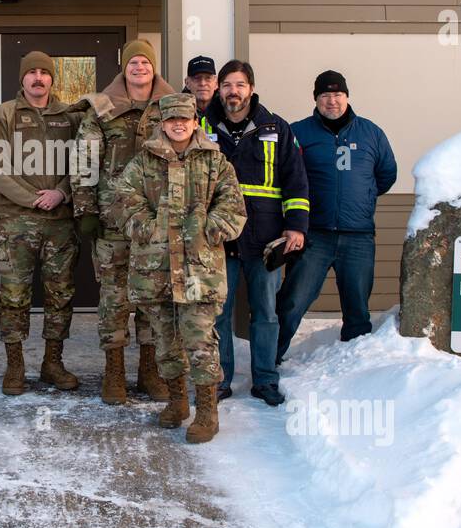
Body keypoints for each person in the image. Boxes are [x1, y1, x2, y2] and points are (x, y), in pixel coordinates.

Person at [113, 93, 246, 443]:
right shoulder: (144, 161)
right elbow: (125, 199)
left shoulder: (215, 163)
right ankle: (176, 402)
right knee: (165, 340)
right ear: (162, 122)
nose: (178, 125)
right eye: (171, 120)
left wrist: (210, 228)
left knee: (200, 340)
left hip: (199, 269)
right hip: (155, 266)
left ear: (193, 121)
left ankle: (207, 411)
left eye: (183, 119)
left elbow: (232, 204)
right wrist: (145, 227)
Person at [72, 39, 178, 404]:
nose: (139, 68)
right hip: (112, 219)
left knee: (153, 297)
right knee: (114, 297)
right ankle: (114, 373)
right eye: (132, 62)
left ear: (154, 68)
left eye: (144, 62)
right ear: (123, 68)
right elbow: (85, 161)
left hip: (156, 220)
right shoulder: (101, 110)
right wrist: (85, 209)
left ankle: (149, 371)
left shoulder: (172, 108)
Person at [202, 61, 308, 405]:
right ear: (219, 90)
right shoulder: (201, 127)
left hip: (265, 239)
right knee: (217, 313)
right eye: (227, 85)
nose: (233, 91)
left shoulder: (276, 128)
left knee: (265, 313)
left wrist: (296, 227)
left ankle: (265, 380)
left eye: (240, 85)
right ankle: (219, 381)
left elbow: (295, 180)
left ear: (251, 89)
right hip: (217, 239)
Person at [276, 70, 397, 360]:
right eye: (325, 95)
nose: (332, 101)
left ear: (347, 96)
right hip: (313, 234)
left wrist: (361, 198)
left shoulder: (371, 132)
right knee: (292, 302)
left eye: (337, 94)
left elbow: (386, 175)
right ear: (316, 99)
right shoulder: (298, 132)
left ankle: (354, 366)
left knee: (357, 307)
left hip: (358, 236)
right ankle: (269, 361)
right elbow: (283, 175)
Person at [0, 51, 81, 395]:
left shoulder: (71, 117)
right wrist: (32, 198)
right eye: (32, 73)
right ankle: (15, 365)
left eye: (44, 73)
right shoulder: (1, 116)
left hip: (60, 222)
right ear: (21, 79)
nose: (38, 78)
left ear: (53, 79)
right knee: (13, 295)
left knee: (60, 293)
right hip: (15, 221)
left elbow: (83, 163)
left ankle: (53, 362)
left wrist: (61, 194)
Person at [184, 54, 218, 134]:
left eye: (208, 78)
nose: (202, 83)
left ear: (216, 83)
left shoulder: (227, 111)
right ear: (187, 83)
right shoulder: (176, 112)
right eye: (197, 78)